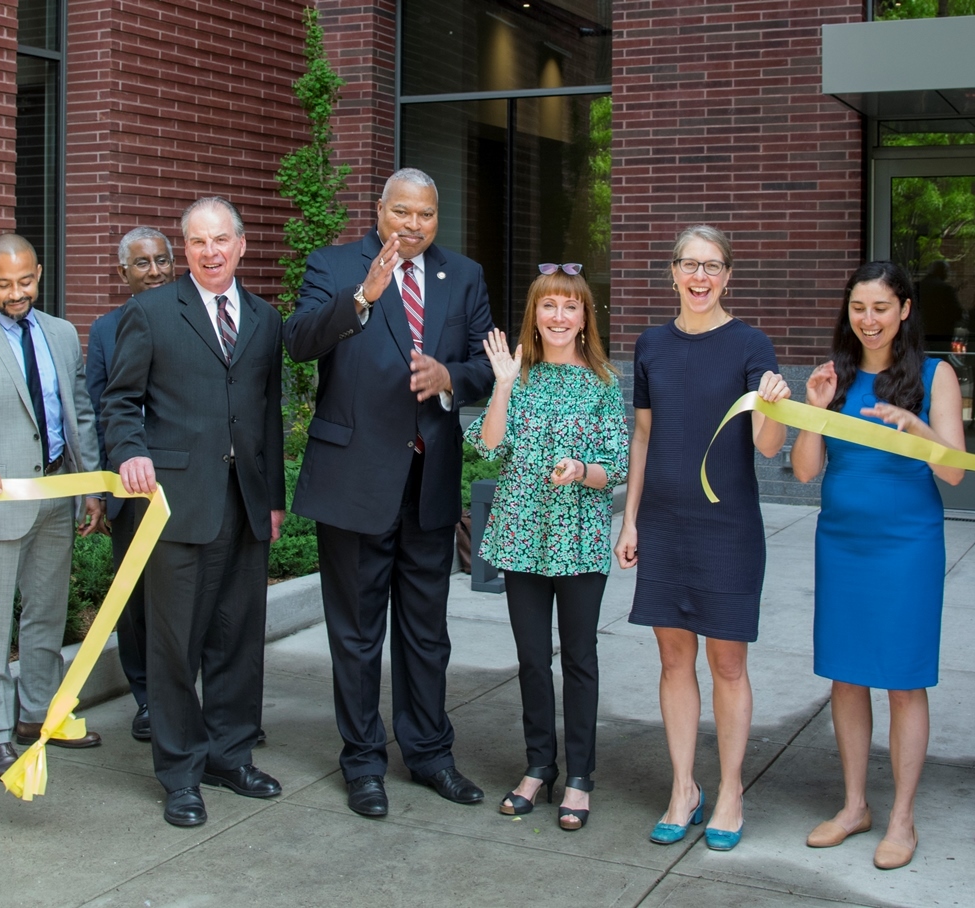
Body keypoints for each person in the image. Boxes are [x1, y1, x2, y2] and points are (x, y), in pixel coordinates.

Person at [285, 167, 494, 818]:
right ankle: (363, 763)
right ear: (379, 211)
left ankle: (430, 754)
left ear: (438, 219)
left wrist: (449, 375)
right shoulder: (333, 264)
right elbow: (297, 342)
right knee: (356, 635)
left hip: (426, 484)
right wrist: (360, 300)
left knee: (427, 632)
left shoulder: (463, 276)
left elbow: (488, 367)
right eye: (402, 212)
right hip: (355, 483)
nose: (413, 225)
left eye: (426, 215)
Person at [102, 197, 286, 828]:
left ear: (241, 245)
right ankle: (180, 773)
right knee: (175, 646)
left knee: (238, 640)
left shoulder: (264, 317)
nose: (210, 252)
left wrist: (275, 499)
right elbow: (120, 401)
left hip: (245, 505)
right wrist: (130, 452)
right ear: (187, 250)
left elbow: (266, 415)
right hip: (175, 504)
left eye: (221, 240)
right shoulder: (150, 313)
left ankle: (230, 756)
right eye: (198, 242)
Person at [614, 224, 790, 852]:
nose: (699, 277)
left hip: (728, 526)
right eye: (689, 265)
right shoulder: (651, 344)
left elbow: (768, 449)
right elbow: (642, 436)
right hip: (663, 519)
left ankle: (732, 791)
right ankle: (683, 787)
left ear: (727, 276)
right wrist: (629, 518)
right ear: (672, 273)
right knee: (672, 659)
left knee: (728, 663)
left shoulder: (751, 344)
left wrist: (772, 405)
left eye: (711, 266)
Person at [790, 261, 966, 870]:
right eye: (859, 309)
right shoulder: (833, 377)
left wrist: (918, 427)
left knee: (903, 679)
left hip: (907, 545)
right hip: (842, 542)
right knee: (847, 674)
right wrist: (813, 411)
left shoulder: (936, 375)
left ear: (905, 310)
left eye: (881, 308)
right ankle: (854, 805)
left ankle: (902, 818)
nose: (869, 320)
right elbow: (807, 471)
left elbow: (953, 470)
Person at [0, 233, 105, 781]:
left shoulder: (61, 334)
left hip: (57, 497)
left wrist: (91, 487)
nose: (17, 293)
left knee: (47, 616)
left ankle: (38, 717)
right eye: (4, 284)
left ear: (38, 273)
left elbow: (77, 414)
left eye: (26, 281)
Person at [465, 265, 628, 831]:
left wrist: (582, 470)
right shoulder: (519, 376)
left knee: (579, 659)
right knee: (533, 659)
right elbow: (488, 446)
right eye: (548, 306)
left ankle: (579, 775)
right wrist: (504, 384)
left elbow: (618, 468)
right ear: (534, 316)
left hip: (578, 539)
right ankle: (539, 765)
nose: (559, 317)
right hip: (521, 534)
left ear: (585, 318)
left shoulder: (604, 382)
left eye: (570, 307)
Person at [86, 226, 176, 741]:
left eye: (162, 260)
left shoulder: (194, 313)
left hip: (189, 485)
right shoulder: (104, 330)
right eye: (142, 263)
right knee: (136, 597)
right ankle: (146, 699)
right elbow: (102, 410)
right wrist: (102, 489)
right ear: (123, 274)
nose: (156, 270)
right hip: (131, 488)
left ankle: (188, 695)